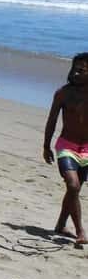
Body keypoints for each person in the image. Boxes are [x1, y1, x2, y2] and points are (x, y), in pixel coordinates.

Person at [42, 53, 88, 243]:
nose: (76, 73)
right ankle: (80, 232)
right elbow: (52, 120)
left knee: (74, 191)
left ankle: (61, 225)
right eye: (75, 69)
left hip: (86, 148)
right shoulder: (63, 93)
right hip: (66, 145)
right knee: (73, 185)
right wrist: (46, 146)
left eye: (82, 70)